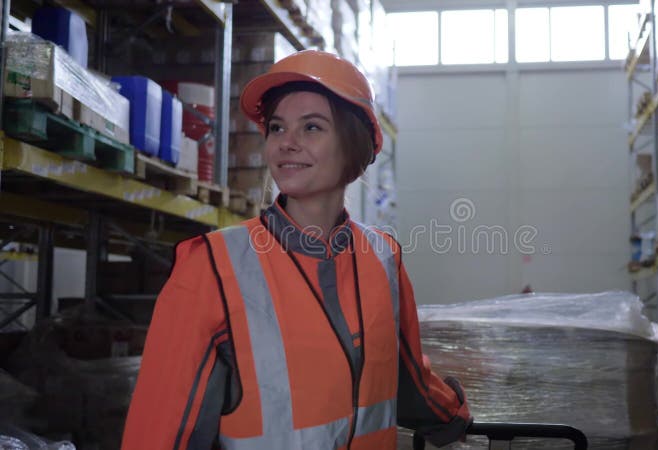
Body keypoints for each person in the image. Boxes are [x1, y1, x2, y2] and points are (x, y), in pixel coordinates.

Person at [121, 50, 472, 450]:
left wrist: (456, 417)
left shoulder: (384, 258)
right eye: (276, 127)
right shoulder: (212, 266)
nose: (286, 143)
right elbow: (161, 431)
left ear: (353, 143)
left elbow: (407, 381)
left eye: (311, 128)